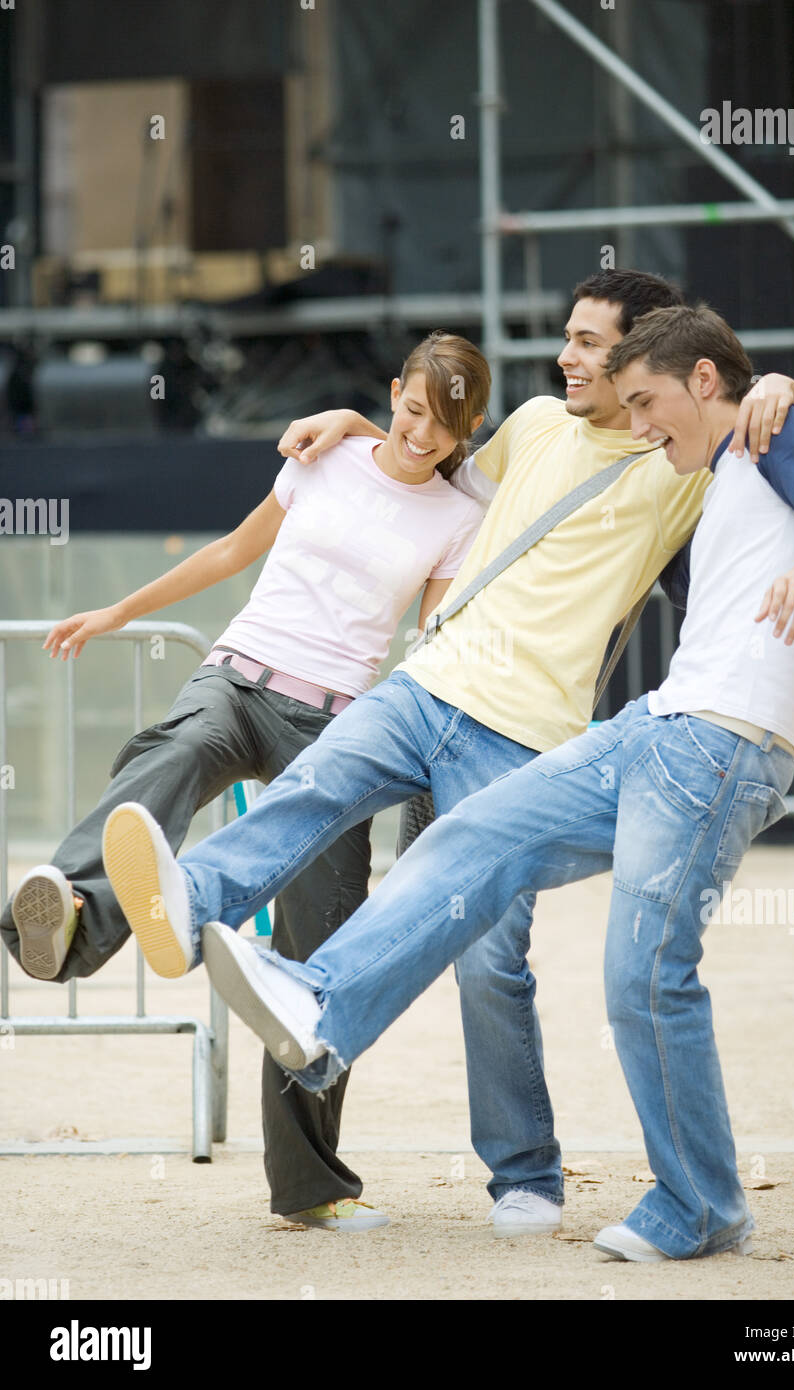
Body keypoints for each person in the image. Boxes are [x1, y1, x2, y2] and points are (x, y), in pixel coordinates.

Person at [96, 268, 794, 1236]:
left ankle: (524, 1171)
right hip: (429, 682)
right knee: (314, 788)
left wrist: (783, 385)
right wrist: (359, 420)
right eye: (565, 334)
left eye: (590, 343)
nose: (565, 354)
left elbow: (743, 420)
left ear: (646, 359)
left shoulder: (673, 466)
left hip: (524, 729)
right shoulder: (529, 421)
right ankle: (193, 905)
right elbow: (424, 472)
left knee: (489, 958)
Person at [1, 331, 489, 1232]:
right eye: (414, 410)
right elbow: (231, 553)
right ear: (393, 392)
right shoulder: (324, 457)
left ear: (468, 430)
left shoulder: (459, 514)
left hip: (335, 725)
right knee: (170, 753)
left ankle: (311, 1188)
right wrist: (117, 611)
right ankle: (64, 913)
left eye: (446, 425)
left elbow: (434, 635)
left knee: (316, 958)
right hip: (238, 676)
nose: (422, 435)